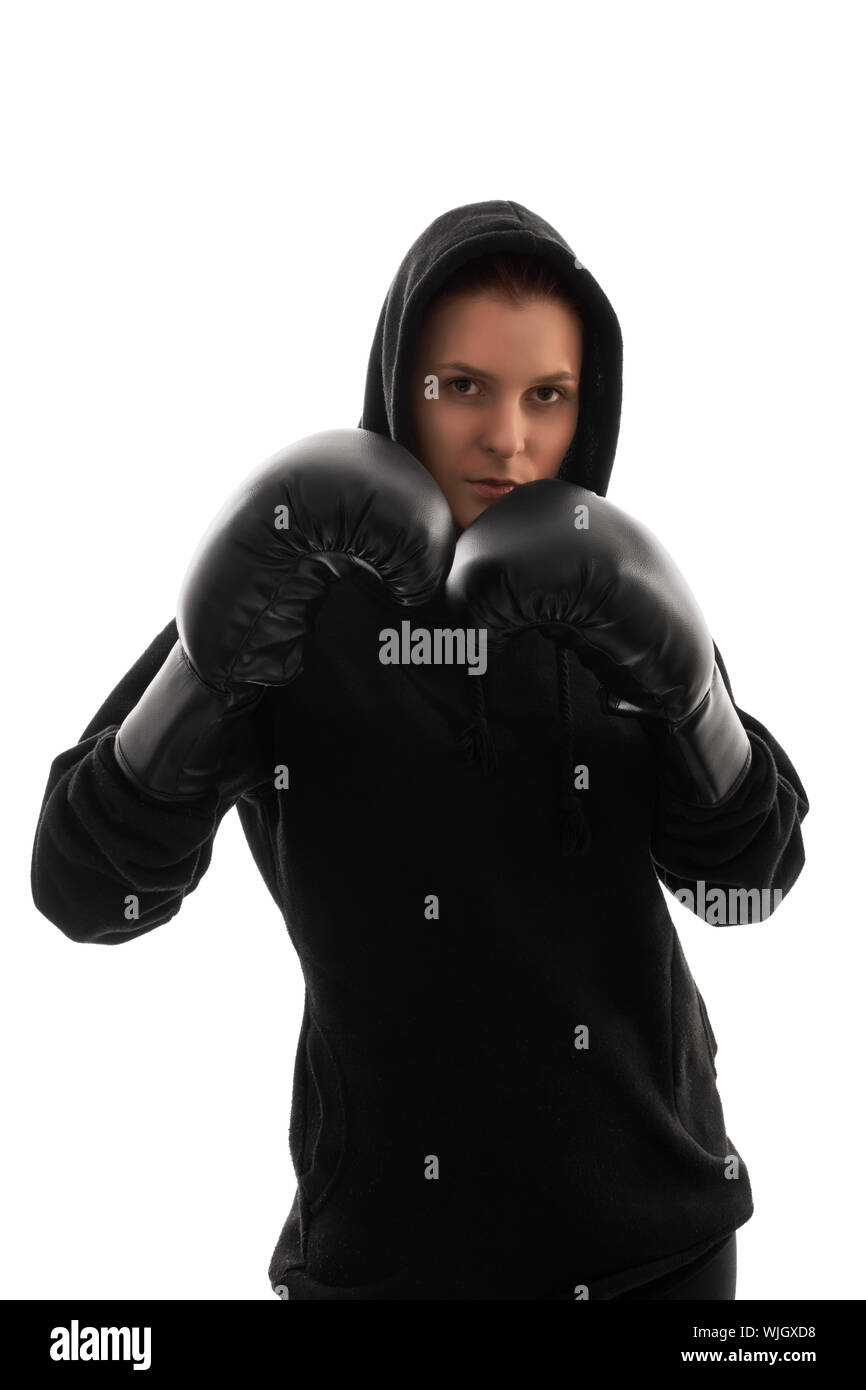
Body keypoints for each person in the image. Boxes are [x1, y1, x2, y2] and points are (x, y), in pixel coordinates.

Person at [30, 199, 808, 1301]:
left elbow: (746, 885)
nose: (507, 437)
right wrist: (204, 673)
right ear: (401, 386)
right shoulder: (288, 593)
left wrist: (692, 703)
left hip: (660, 1247)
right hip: (382, 1264)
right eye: (463, 387)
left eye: (547, 395)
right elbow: (85, 890)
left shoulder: (612, 591)